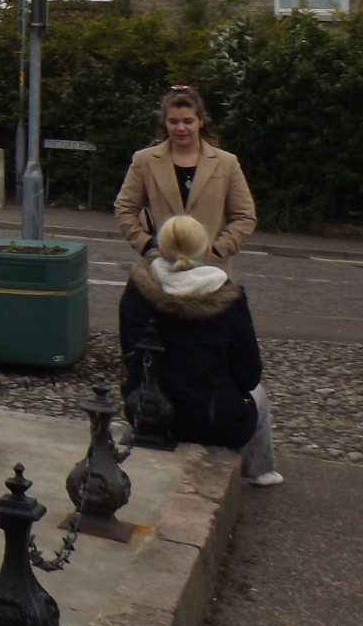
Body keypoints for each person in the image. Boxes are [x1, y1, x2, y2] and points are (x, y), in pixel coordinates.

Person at [119, 214, 282, 485]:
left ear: (160, 250)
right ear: (206, 250)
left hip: (147, 411)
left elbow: (130, 351)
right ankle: (261, 470)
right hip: (213, 419)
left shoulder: (138, 289)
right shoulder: (228, 296)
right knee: (257, 394)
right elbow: (249, 372)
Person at [113, 86, 257, 260]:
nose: (180, 128)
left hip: (210, 272)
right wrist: (146, 245)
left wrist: (219, 250)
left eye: (188, 121)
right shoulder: (144, 160)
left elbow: (245, 216)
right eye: (173, 122)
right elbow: (125, 208)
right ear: (165, 123)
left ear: (201, 121)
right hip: (160, 271)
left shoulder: (227, 163)